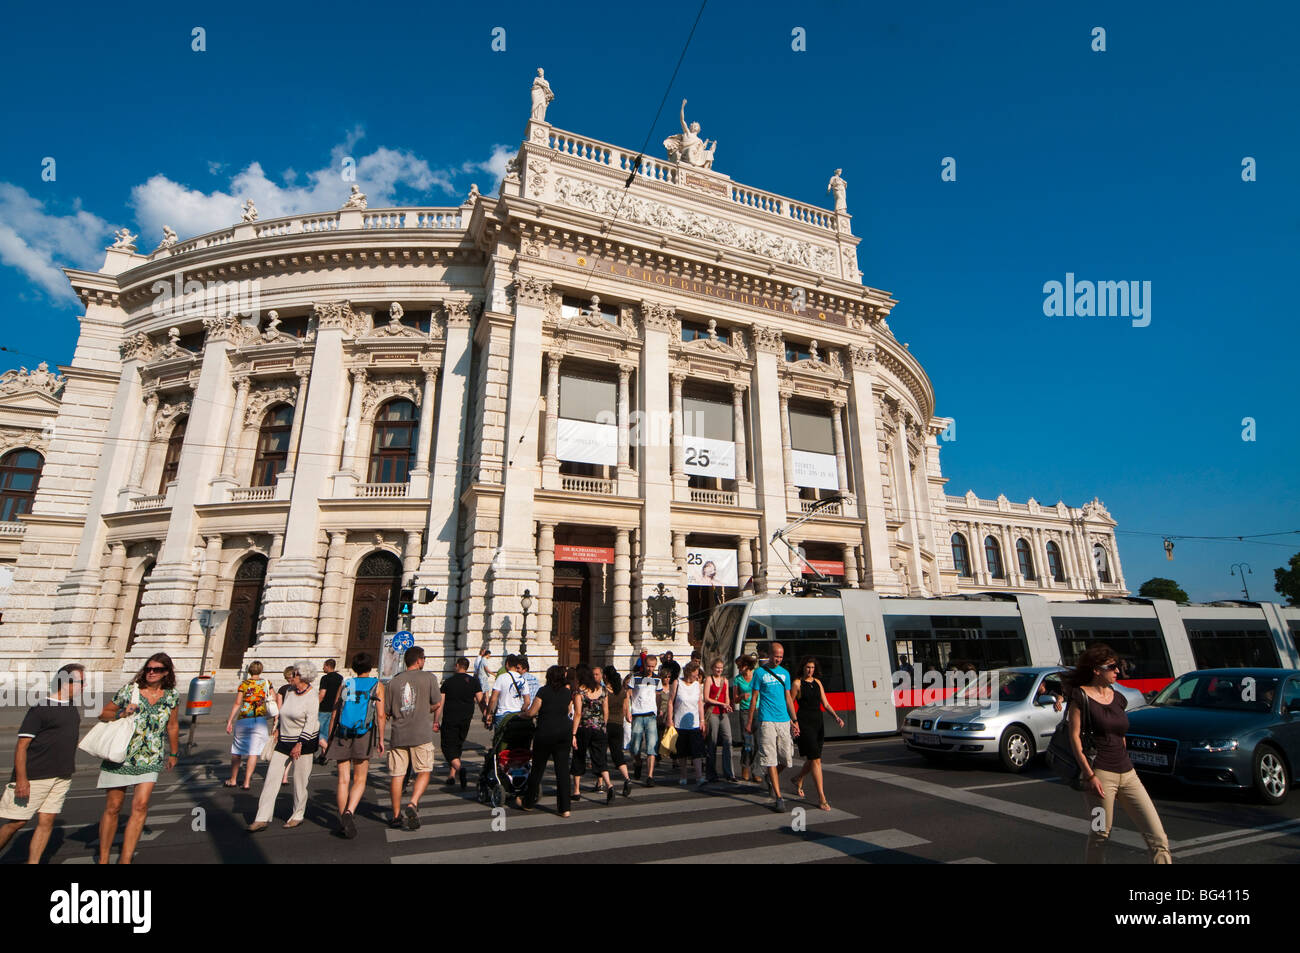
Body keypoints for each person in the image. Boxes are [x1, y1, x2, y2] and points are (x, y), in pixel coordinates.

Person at [1064, 644, 1171, 864]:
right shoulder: (1080, 697)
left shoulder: (1118, 697)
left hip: (1128, 774)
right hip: (1100, 776)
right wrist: (1089, 775)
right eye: (1112, 667)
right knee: (1100, 834)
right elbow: (1074, 738)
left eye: (1118, 666)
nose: (1118, 671)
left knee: (1158, 837)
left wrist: (1125, 759)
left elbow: (1121, 733)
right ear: (1097, 670)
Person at [95, 653, 181, 864]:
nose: (151, 672)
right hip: (121, 755)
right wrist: (122, 712)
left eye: (157, 669)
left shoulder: (171, 696)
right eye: (149, 668)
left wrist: (173, 752)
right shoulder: (129, 690)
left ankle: (125, 860)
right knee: (113, 807)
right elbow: (103, 713)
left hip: (150, 756)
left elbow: (172, 725)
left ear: (166, 673)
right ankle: (104, 859)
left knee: (140, 806)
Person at [0, 663, 84, 864]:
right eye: (81, 682)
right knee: (17, 822)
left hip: (62, 775)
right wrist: (22, 779)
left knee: (47, 822)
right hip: (34, 776)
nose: (85, 686)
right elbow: (22, 746)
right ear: (66, 683)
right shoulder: (41, 709)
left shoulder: (71, 708)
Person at [249, 661, 320, 831]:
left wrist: (300, 744)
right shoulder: (289, 691)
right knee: (271, 779)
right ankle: (262, 818)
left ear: (302, 677)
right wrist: (277, 729)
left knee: (299, 781)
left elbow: (310, 723)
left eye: (294, 674)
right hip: (283, 741)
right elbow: (283, 713)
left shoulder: (312, 696)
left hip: (303, 744)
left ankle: (297, 814)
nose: (291, 676)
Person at [323, 652, 385, 840]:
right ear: (370, 667)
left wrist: (330, 735)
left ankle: (343, 818)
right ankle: (349, 812)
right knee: (359, 778)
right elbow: (381, 715)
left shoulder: (346, 683)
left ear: (353, 667)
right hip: (363, 733)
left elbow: (335, 712)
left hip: (343, 732)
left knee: (343, 779)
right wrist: (381, 739)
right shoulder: (377, 684)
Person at [384, 646, 442, 831]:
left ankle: (395, 815)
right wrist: (425, 709)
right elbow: (436, 703)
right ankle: (413, 803)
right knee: (424, 771)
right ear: (418, 660)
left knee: (397, 775)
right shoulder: (429, 678)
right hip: (421, 734)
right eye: (423, 658)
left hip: (398, 734)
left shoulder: (393, 682)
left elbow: (387, 711)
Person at [746, 642, 799, 812]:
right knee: (770, 758)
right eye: (776, 656)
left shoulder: (785, 674)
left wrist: (794, 719)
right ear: (769, 655)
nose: (778, 659)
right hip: (766, 720)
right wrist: (750, 720)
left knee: (786, 757)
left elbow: (788, 698)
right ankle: (779, 796)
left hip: (783, 720)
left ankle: (770, 776)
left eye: (781, 657)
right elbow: (754, 698)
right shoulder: (759, 673)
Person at [789, 657, 844, 811]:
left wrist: (836, 717)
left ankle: (798, 778)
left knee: (815, 758)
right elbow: (790, 704)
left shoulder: (818, 683)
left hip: (818, 722)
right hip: (804, 723)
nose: (810, 670)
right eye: (807, 667)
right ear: (802, 667)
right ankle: (822, 798)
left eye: (812, 667)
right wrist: (793, 723)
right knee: (815, 760)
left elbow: (825, 703)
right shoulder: (797, 684)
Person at [522, 666, 576, 817]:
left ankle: (528, 802)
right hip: (563, 733)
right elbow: (569, 711)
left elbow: (533, 711)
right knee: (563, 771)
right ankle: (565, 808)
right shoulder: (567, 692)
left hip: (545, 732)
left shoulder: (543, 691)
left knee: (538, 769)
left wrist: (523, 715)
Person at [224, 660, 273, 789]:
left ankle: (233, 779)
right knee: (253, 752)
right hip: (260, 720)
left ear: (249, 671)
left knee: (237, 750)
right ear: (261, 670)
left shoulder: (244, 684)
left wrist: (230, 720)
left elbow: (237, 703)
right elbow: (273, 699)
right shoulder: (266, 683)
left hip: (244, 718)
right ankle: (246, 782)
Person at [572, 666, 616, 805]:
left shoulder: (580, 692)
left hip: (583, 728)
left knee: (579, 757)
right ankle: (609, 785)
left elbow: (578, 713)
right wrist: (603, 725)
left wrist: (573, 733)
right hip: (599, 728)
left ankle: (577, 790)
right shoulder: (602, 691)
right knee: (600, 758)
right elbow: (606, 710)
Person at [438, 657, 483, 789]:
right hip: (466, 719)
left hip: (450, 718)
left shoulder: (448, 682)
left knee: (447, 746)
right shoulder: (474, 681)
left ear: (457, 666)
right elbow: (481, 700)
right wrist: (486, 714)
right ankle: (451, 775)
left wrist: (436, 719)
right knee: (458, 745)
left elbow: (441, 703)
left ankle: (459, 768)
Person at [669, 660, 706, 787]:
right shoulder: (677, 683)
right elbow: (670, 702)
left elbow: (700, 703)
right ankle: (683, 776)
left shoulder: (697, 685)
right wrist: (670, 719)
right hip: (680, 723)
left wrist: (702, 720)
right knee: (682, 753)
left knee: (696, 752)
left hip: (694, 723)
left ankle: (699, 777)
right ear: (689, 672)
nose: (697, 676)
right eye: (695, 673)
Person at [627, 656, 662, 786]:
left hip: (651, 715)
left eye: (653, 666)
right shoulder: (635, 677)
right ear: (644, 665)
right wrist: (628, 711)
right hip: (637, 714)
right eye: (648, 666)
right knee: (635, 746)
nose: (650, 669)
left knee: (652, 746)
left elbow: (658, 696)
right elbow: (628, 694)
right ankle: (637, 762)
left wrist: (658, 711)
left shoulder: (657, 679)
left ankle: (650, 776)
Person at [703, 658, 735, 783]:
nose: (719, 670)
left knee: (728, 741)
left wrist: (727, 704)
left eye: (721, 668)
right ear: (712, 668)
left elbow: (727, 696)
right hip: (712, 713)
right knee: (713, 742)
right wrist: (721, 703)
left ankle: (729, 772)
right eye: (717, 668)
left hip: (723, 713)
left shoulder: (725, 680)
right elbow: (706, 698)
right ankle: (711, 773)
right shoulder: (709, 680)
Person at [603, 664, 632, 797]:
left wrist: (603, 725)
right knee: (617, 754)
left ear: (605, 677)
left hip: (608, 724)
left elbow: (606, 711)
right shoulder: (623, 692)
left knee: (601, 755)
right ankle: (627, 778)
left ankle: (604, 783)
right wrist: (627, 718)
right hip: (619, 725)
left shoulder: (605, 692)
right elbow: (626, 711)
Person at [732, 654, 758, 782]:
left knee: (758, 742)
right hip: (745, 712)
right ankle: (745, 767)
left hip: (758, 711)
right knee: (748, 742)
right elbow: (734, 700)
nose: (739, 669)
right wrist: (742, 696)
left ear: (747, 666)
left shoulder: (756, 676)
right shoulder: (737, 680)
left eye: (740, 666)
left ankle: (756, 770)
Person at [486, 654, 529, 728]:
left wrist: (489, 713)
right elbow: (527, 701)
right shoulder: (522, 679)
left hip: (502, 714)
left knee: (500, 738)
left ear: (507, 664)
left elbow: (493, 699)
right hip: (516, 714)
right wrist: (521, 711)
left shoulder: (501, 678)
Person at [316, 659, 343, 762]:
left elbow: (322, 694)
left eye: (324, 666)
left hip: (323, 708)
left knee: (316, 732)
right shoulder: (340, 678)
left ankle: (327, 751)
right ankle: (323, 756)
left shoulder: (325, 678)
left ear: (328, 666)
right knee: (327, 733)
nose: (323, 668)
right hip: (335, 708)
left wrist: (315, 705)